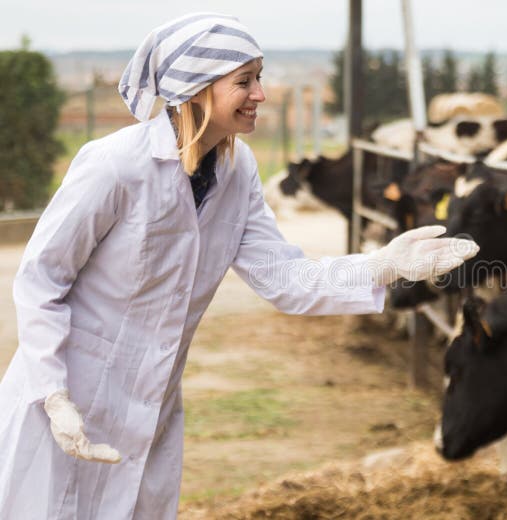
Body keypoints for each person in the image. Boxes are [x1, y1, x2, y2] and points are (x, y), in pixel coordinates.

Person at [0, 13, 478, 519]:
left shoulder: (237, 169)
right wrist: (53, 393)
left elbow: (287, 281)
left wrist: (384, 265)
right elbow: (40, 280)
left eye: (260, 77)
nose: (261, 94)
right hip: (67, 398)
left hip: (150, 405)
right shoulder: (114, 165)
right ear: (196, 89)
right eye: (244, 81)